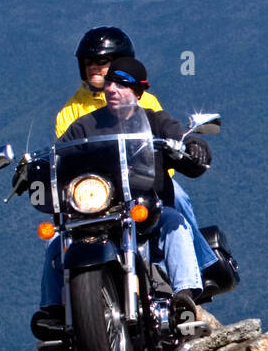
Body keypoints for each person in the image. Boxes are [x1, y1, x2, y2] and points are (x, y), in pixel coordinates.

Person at [57, 27, 218, 272]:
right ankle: (58, 303)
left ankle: (201, 267)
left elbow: (167, 136)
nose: (94, 67)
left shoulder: (146, 101)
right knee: (57, 236)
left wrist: (185, 149)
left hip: (146, 180)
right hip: (97, 192)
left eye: (103, 61)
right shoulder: (69, 112)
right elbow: (64, 156)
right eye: (89, 62)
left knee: (179, 199)